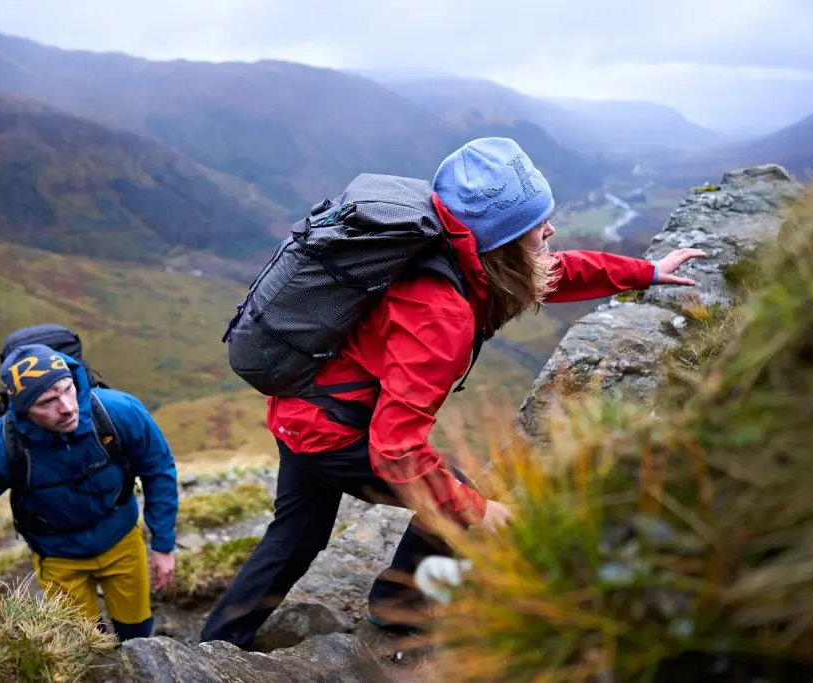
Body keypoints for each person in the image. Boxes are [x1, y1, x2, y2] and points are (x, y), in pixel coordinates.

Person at [200, 137, 706, 649]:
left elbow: (555, 271)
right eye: (538, 225)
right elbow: (398, 452)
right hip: (334, 432)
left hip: (303, 410)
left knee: (292, 542)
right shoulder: (440, 313)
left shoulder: (454, 250)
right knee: (458, 505)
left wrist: (646, 272)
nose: (550, 229)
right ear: (503, 241)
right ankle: (400, 613)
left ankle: (216, 644)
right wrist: (479, 511)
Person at [0, 343, 179, 642]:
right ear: (22, 410)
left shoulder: (118, 411)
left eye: (67, 388)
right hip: (58, 557)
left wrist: (163, 545)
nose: (67, 407)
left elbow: (158, 468)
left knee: (137, 630)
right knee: (85, 642)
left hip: (122, 541)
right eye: (47, 401)